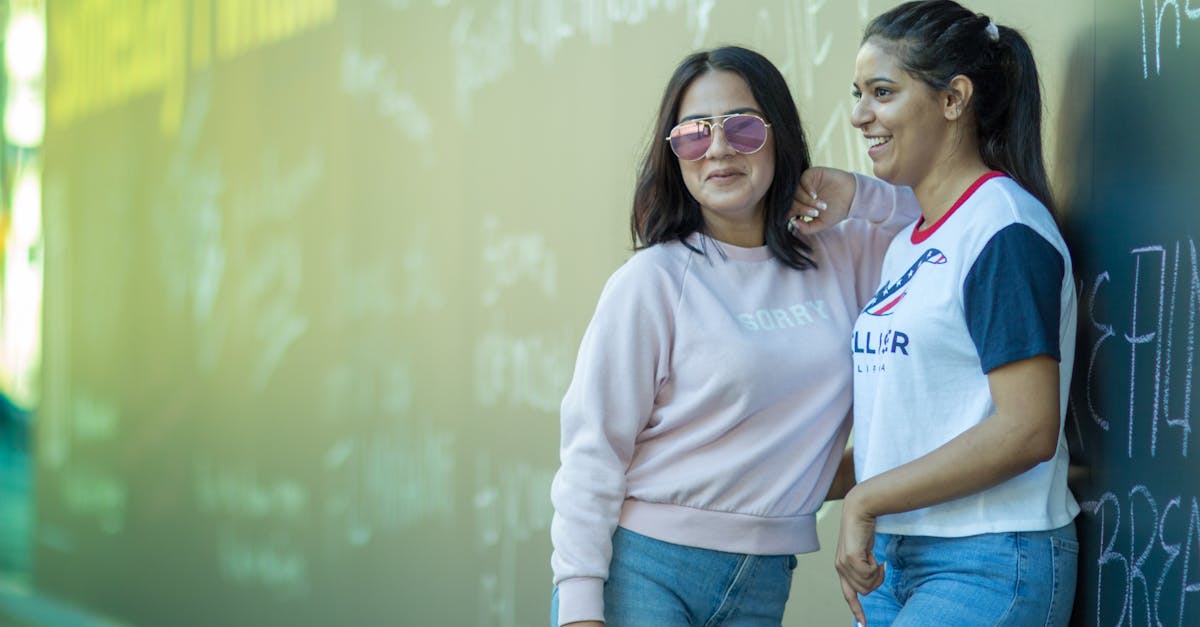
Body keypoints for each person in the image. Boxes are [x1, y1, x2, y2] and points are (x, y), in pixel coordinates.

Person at [548, 45, 919, 626]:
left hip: (764, 581)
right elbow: (592, 454)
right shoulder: (652, 282)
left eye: (743, 128)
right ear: (675, 156)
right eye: (693, 135)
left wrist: (857, 193)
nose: (718, 148)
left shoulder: (844, 255)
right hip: (643, 572)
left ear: (779, 137)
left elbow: (953, 219)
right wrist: (577, 610)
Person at [801, 2, 1080, 625]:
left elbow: (1028, 428)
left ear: (954, 99)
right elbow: (916, 429)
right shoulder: (910, 243)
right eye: (858, 93)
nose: (859, 114)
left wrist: (866, 500)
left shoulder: (1003, 228)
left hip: (986, 559)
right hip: (892, 563)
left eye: (882, 92)